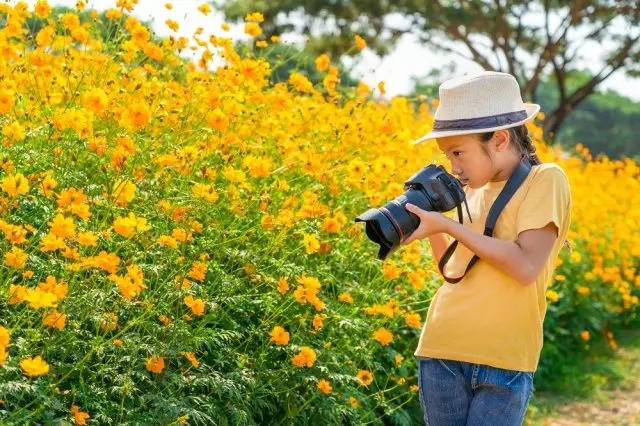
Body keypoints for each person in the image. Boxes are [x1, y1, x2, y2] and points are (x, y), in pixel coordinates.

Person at [402, 71, 572, 425]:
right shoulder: (470, 192)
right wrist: (429, 225)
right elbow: (453, 273)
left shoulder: (546, 180)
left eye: (458, 152)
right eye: (448, 156)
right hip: (441, 350)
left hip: (504, 359)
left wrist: (447, 225)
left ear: (498, 139)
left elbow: (526, 267)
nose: (454, 167)